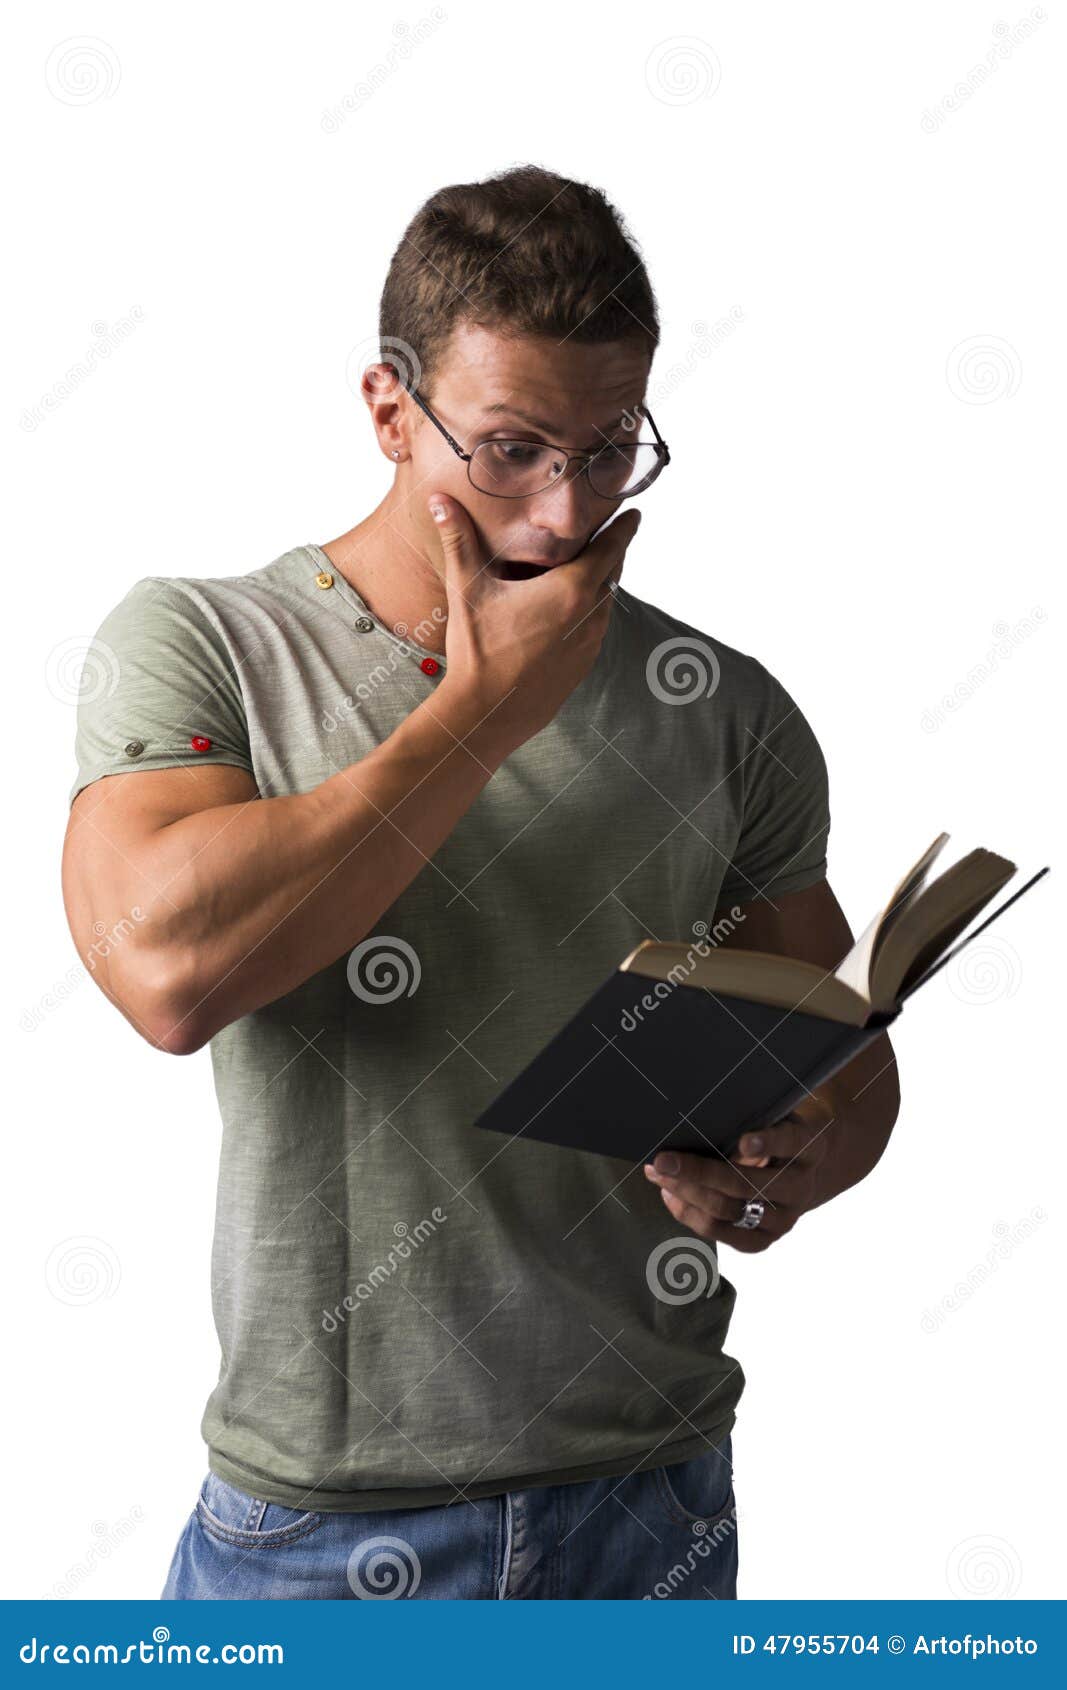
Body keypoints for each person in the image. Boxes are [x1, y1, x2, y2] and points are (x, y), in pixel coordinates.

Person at [61, 165, 900, 1601]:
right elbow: (165, 974)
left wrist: (789, 1171)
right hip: (325, 1532)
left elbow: (838, 1056)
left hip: (652, 1499)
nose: (565, 510)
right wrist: (477, 716)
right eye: (511, 449)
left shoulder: (722, 706)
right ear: (390, 409)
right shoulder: (205, 644)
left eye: (610, 448)